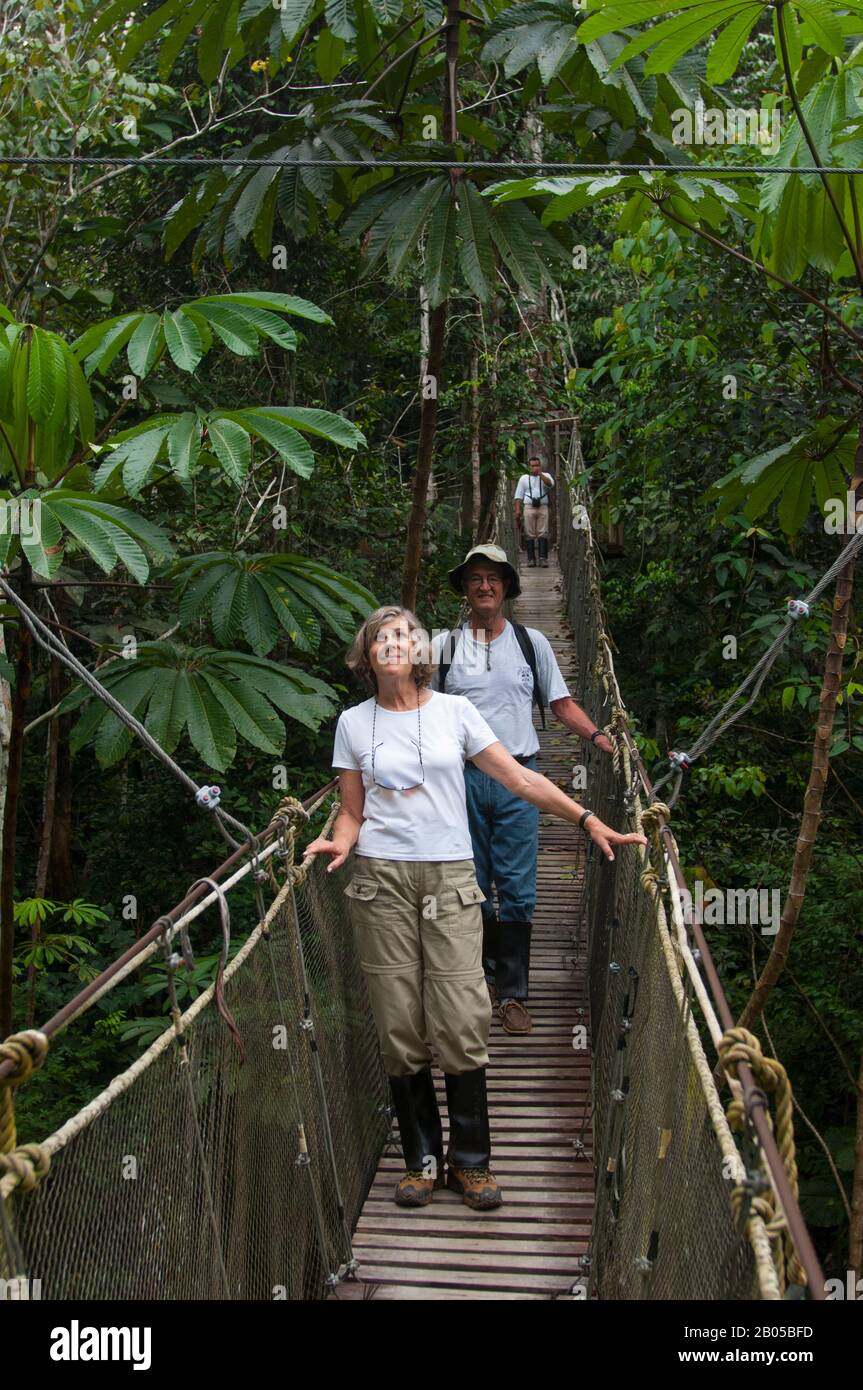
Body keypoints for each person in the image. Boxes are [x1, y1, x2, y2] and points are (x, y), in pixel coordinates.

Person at [303, 605, 645, 1213]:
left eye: (405, 633)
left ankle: (472, 1163)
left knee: (462, 1019)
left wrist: (589, 819)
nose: (394, 642)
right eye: (382, 635)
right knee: (398, 1025)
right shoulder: (352, 724)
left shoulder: (455, 712)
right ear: (367, 653)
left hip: (451, 878)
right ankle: (421, 1163)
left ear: (422, 649)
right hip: (381, 882)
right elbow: (352, 811)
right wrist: (339, 840)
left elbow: (519, 779)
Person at [433, 545, 615, 1036]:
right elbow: (419, 709)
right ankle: (483, 981)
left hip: (521, 780)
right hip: (463, 781)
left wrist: (598, 735)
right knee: (471, 887)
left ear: (509, 588)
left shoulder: (532, 643)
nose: (484, 586)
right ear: (466, 589)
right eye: (475, 579)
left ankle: (512, 993)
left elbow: (560, 703)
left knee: (517, 892)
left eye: (493, 578)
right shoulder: (443, 648)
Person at [514, 455, 554, 567]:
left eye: (537, 465)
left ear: (540, 465)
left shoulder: (546, 476)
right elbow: (518, 496)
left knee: (543, 532)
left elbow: (550, 484)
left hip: (542, 507)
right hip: (529, 507)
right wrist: (517, 510)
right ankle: (531, 559)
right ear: (529, 466)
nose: (535, 467)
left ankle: (543, 559)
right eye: (533, 466)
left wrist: (540, 474)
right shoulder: (524, 478)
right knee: (529, 533)